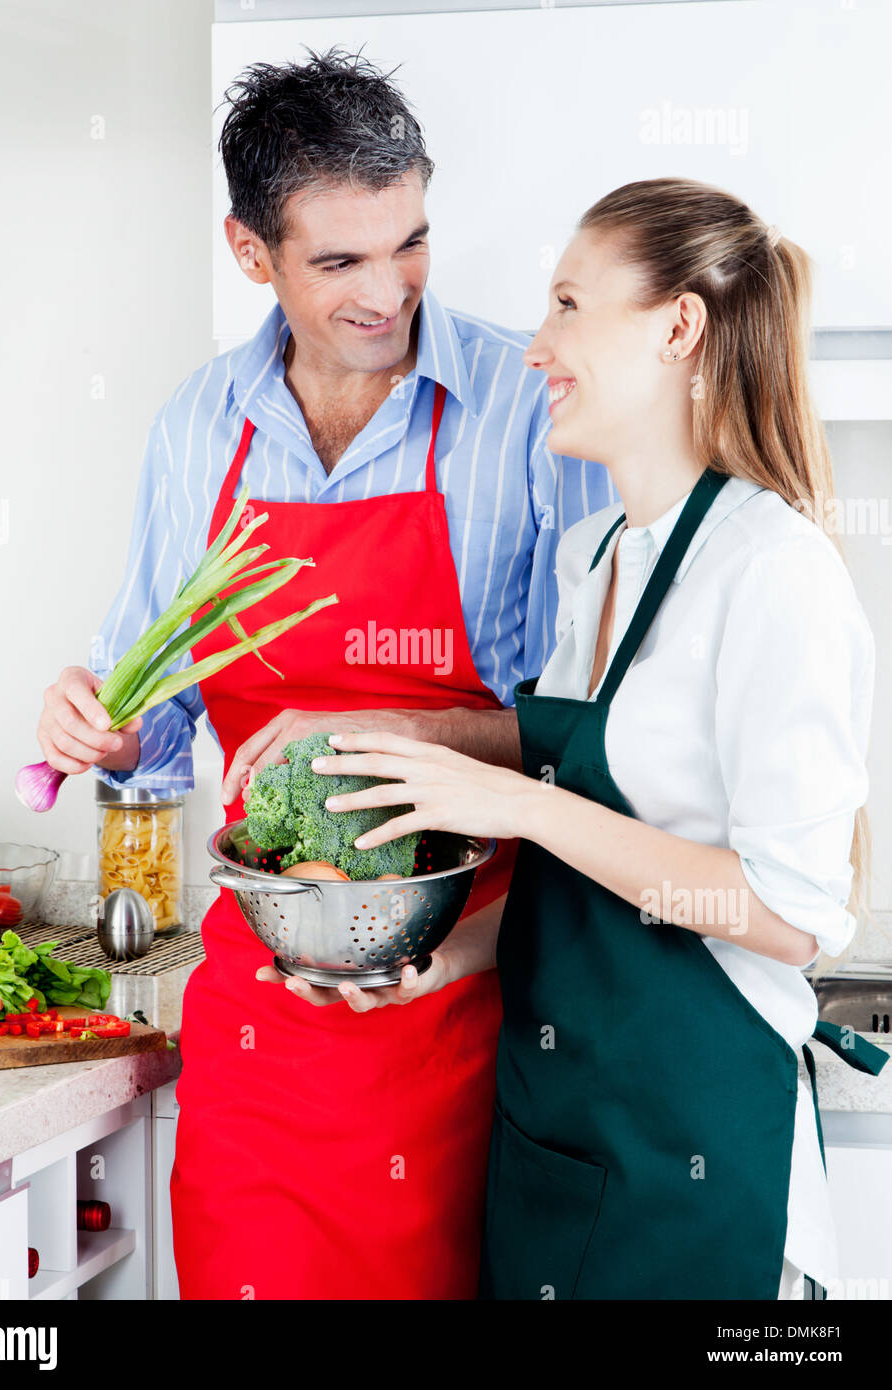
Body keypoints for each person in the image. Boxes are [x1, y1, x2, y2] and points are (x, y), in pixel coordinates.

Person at [33, 49, 611, 1299]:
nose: (386, 290)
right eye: (338, 261)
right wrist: (103, 724)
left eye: (409, 242)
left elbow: (587, 733)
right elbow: (162, 714)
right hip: (259, 1009)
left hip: (469, 984)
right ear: (252, 253)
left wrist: (362, 728)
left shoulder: (529, 408)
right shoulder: (199, 424)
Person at [300, 177, 888, 1300]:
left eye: (567, 305)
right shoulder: (591, 556)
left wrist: (515, 801)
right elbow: (585, 887)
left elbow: (788, 915)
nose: (537, 347)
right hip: (557, 1155)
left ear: (678, 327)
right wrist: (434, 957)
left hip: (695, 1180)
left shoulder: (772, 573)